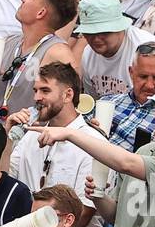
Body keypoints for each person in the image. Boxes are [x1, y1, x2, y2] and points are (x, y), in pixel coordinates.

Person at [37, 83, 155, 227]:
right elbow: (116, 217)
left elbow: (126, 164)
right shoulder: (144, 151)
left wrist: (69, 134)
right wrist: (98, 196)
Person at [8, 62, 95, 211]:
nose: (36, 97)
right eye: (35, 91)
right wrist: (7, 137)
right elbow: (6, 182)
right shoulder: (30, 135)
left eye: (45, 91)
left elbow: (85, 211)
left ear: (68, 95)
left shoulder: (92, 142)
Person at [75, 0, 155, 100]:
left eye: (104, 32)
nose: (96, 39)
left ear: (120, 27)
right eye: (90, 32)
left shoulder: (147, 50)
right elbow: (92, 100)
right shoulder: (88, 54)